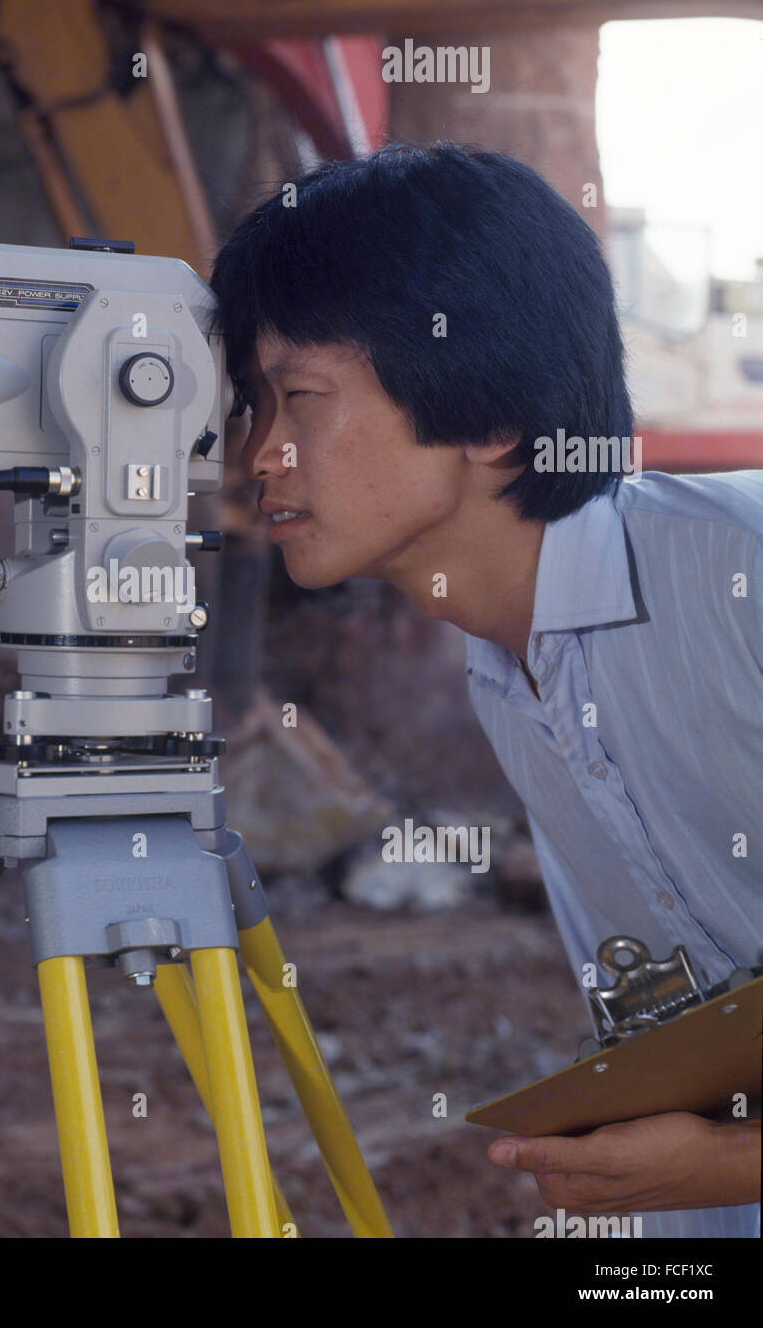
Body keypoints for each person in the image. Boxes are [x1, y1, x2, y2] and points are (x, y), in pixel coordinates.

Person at [208, 141, 761, 1238]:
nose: (259, 453)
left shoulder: (737, 579)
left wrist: (737, 1162)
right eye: (249, 406)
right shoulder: (504, 668)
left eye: (297, 398)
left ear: (488, 412)